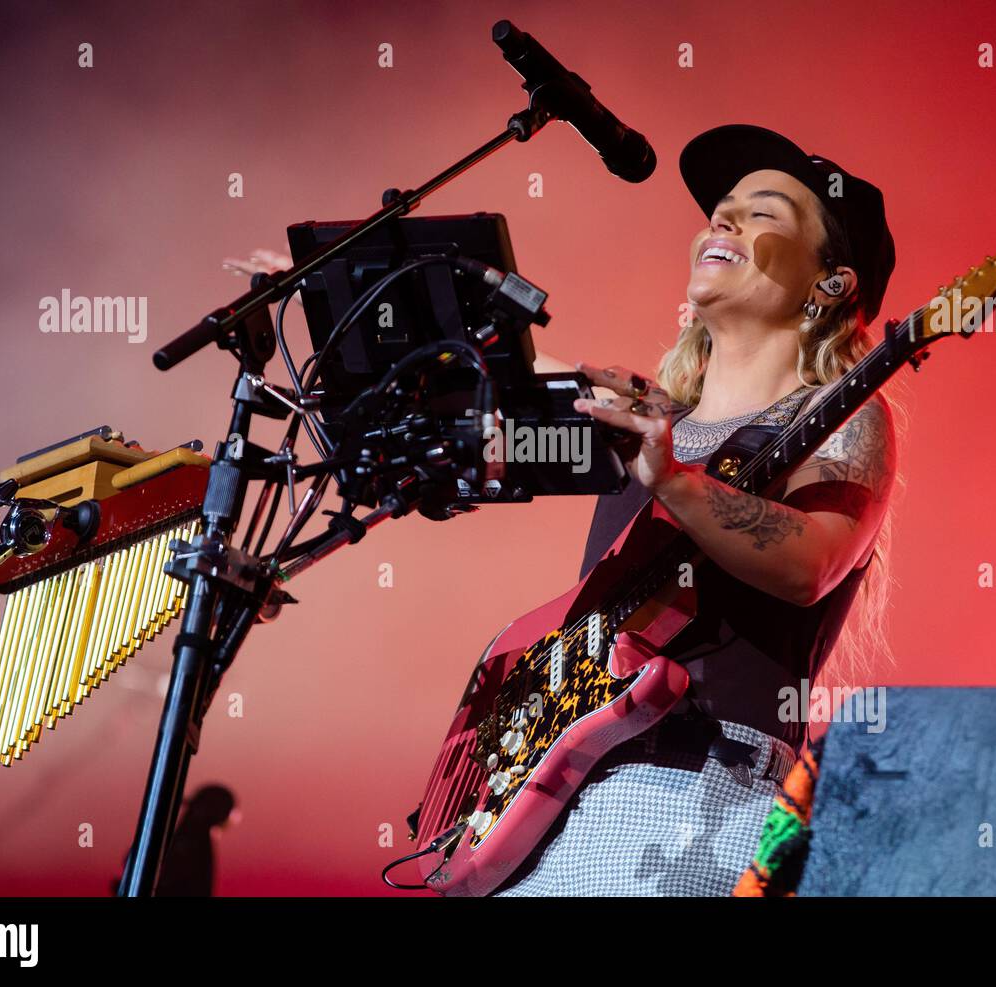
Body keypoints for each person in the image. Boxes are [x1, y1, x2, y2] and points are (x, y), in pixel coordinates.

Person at [226, 124, 898, 896]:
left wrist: (674, 479)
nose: (723, 220)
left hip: (693, 797)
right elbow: (478, 385)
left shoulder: (847, 417)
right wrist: (340, 299)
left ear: (831, 283)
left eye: (764, 212)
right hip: (551, 806)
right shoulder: (639, 414)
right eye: (722, 208)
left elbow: (809, 563)